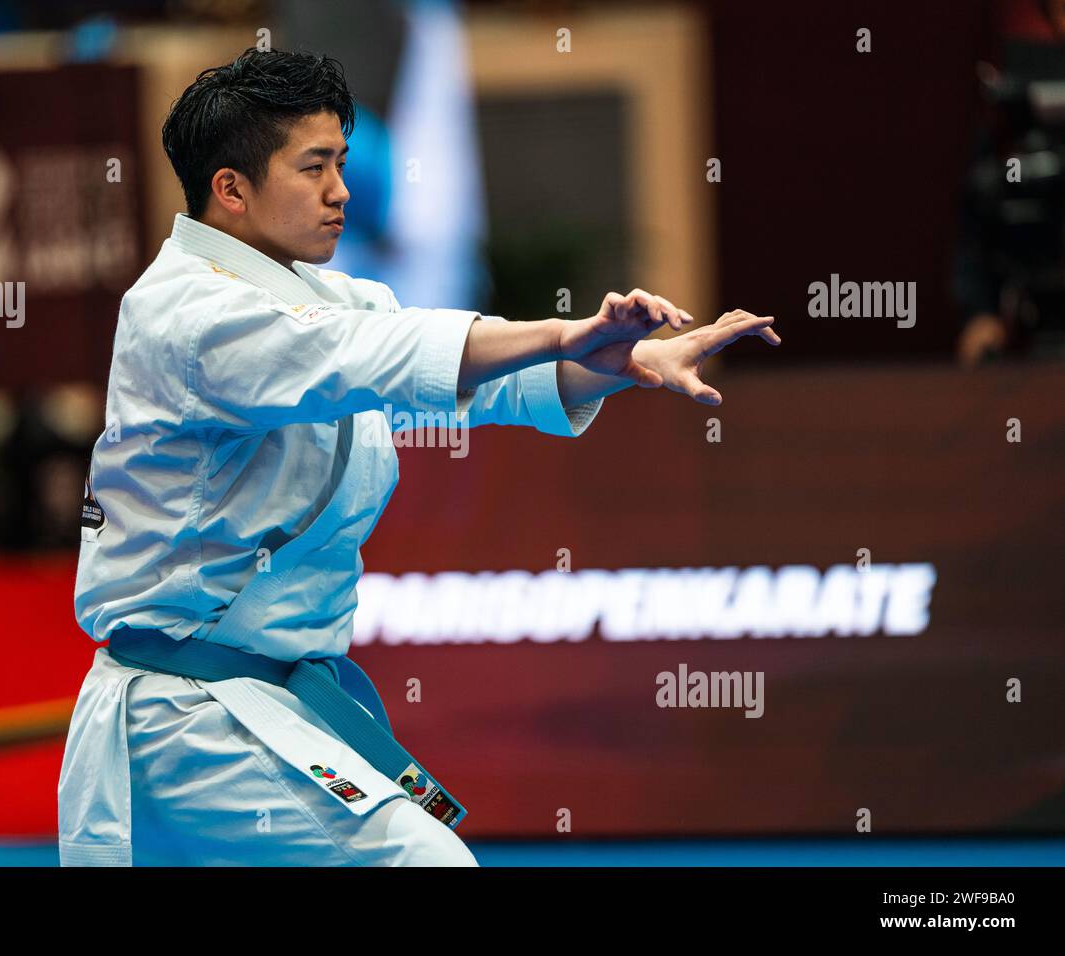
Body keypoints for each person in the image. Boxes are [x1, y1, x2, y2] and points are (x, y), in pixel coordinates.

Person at [56, 47, 780, 867]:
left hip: (264, 707)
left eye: (341, 164)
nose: (342, 191)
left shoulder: (331, 301)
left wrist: (629, 361)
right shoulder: (187, 316)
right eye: (314, 167)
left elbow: (470, 384)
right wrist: (565, 331)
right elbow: (377, 357)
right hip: (187, 718)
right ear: (232, 188)